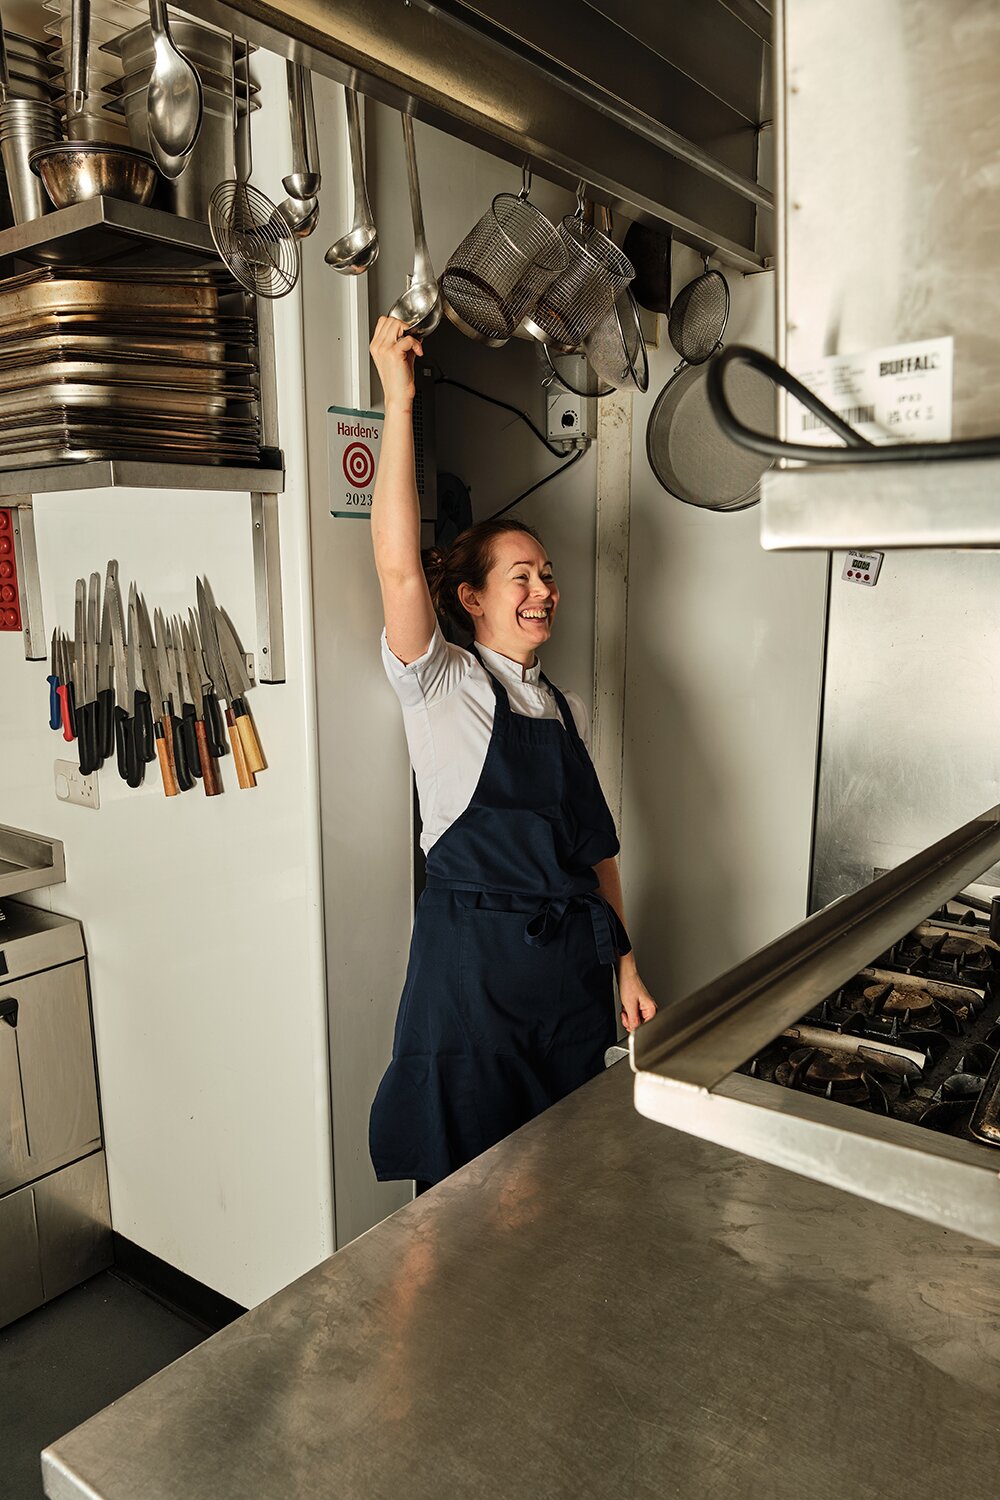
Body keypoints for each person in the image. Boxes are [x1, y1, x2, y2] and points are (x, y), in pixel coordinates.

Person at [367, 315, 657, 1190]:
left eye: (549, 576)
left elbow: (596, 850)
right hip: (476, 985)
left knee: (553, 1184)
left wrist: (628, 966)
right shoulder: (442, 682)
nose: (543, 590)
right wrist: (398, 403)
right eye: (521, 577)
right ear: (471, 598)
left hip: (567, 982)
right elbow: (396, 571)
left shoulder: (562, 707)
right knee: (457, 1199)